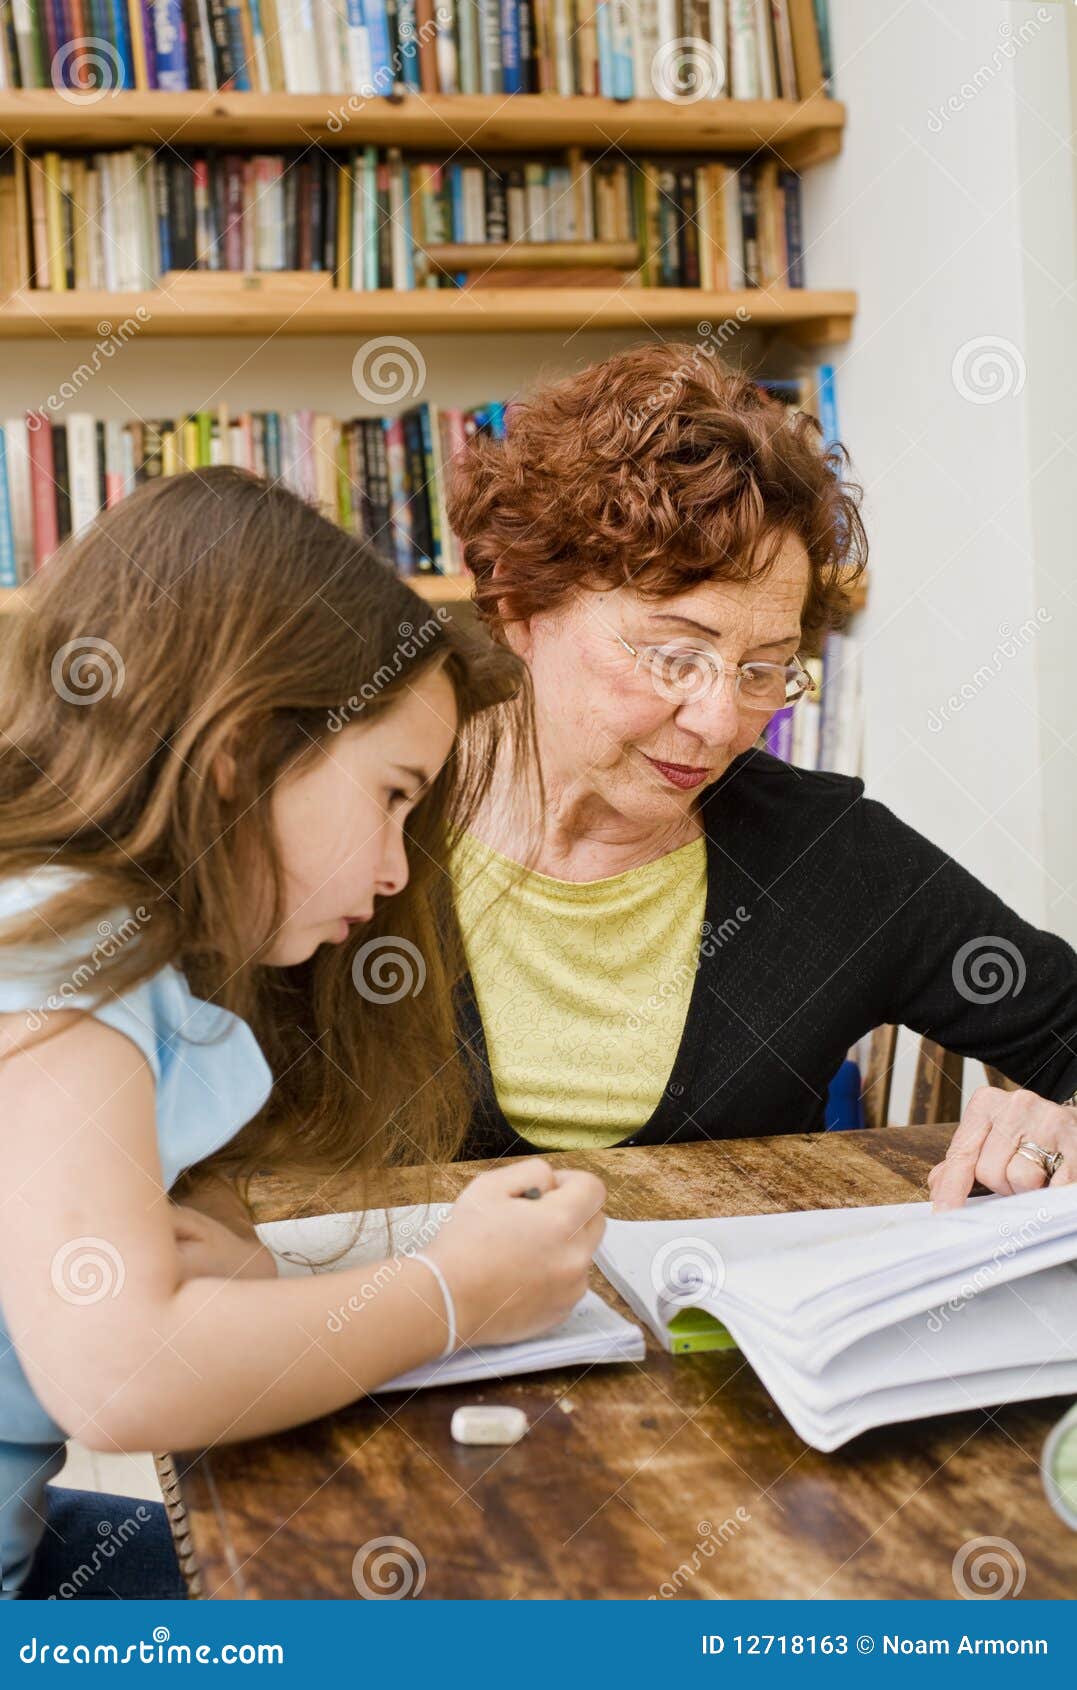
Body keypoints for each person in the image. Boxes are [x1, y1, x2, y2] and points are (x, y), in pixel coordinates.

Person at [0, 466, 606, 1600]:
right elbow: (121, 1373)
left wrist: (246, 1273)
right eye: (392, 795)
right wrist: (454, 1293)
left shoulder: (99, 942)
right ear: (242, 748)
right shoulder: (52, 950)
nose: (396, 870)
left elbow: (160, 1257)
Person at [434, 343, 1077, 1210]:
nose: (721, 722)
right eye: (675, 655)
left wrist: (1059, 1118)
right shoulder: (365, 821)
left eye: (764, 668)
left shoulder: (829, 857)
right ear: (519, 606)